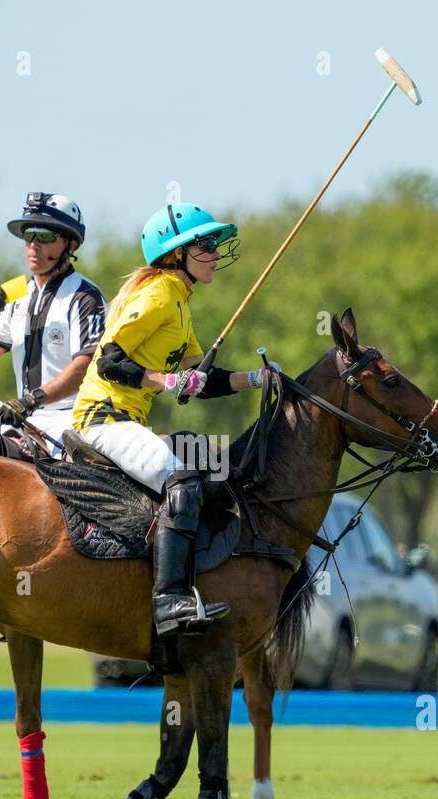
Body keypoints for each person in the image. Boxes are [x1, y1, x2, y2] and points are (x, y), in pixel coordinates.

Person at [72, 202, 271, 636]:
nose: (216, 252)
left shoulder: (179, 301)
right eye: (205, 244)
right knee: (182, 479)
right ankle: (168, 603)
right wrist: (166, 382)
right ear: (176, 253)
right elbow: (110, 362)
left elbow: (203, 377)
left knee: (214, 463)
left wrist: (257, 378)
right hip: (104, 418)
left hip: (131, 421)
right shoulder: (159, 293)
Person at [0, 192, 107, 457]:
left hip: (72, 420)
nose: (33, 245)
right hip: (22, 421)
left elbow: (84, 368)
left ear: (70, 245)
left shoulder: (85, 295)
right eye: (29, 235)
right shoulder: (17, 296)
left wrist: (33, 399)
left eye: (44, 236)